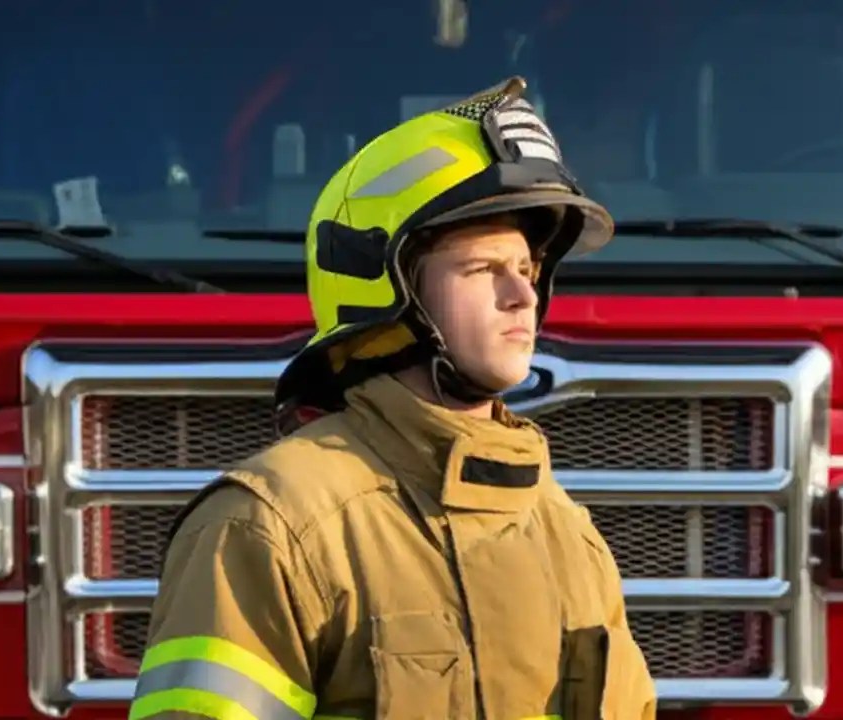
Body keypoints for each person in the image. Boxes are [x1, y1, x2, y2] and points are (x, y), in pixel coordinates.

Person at [129, 76, 657, 720]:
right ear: (384, 286)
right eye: (483, 269)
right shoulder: (269, 528)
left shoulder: (568, 534)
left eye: (527, 270)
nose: (522, 297)